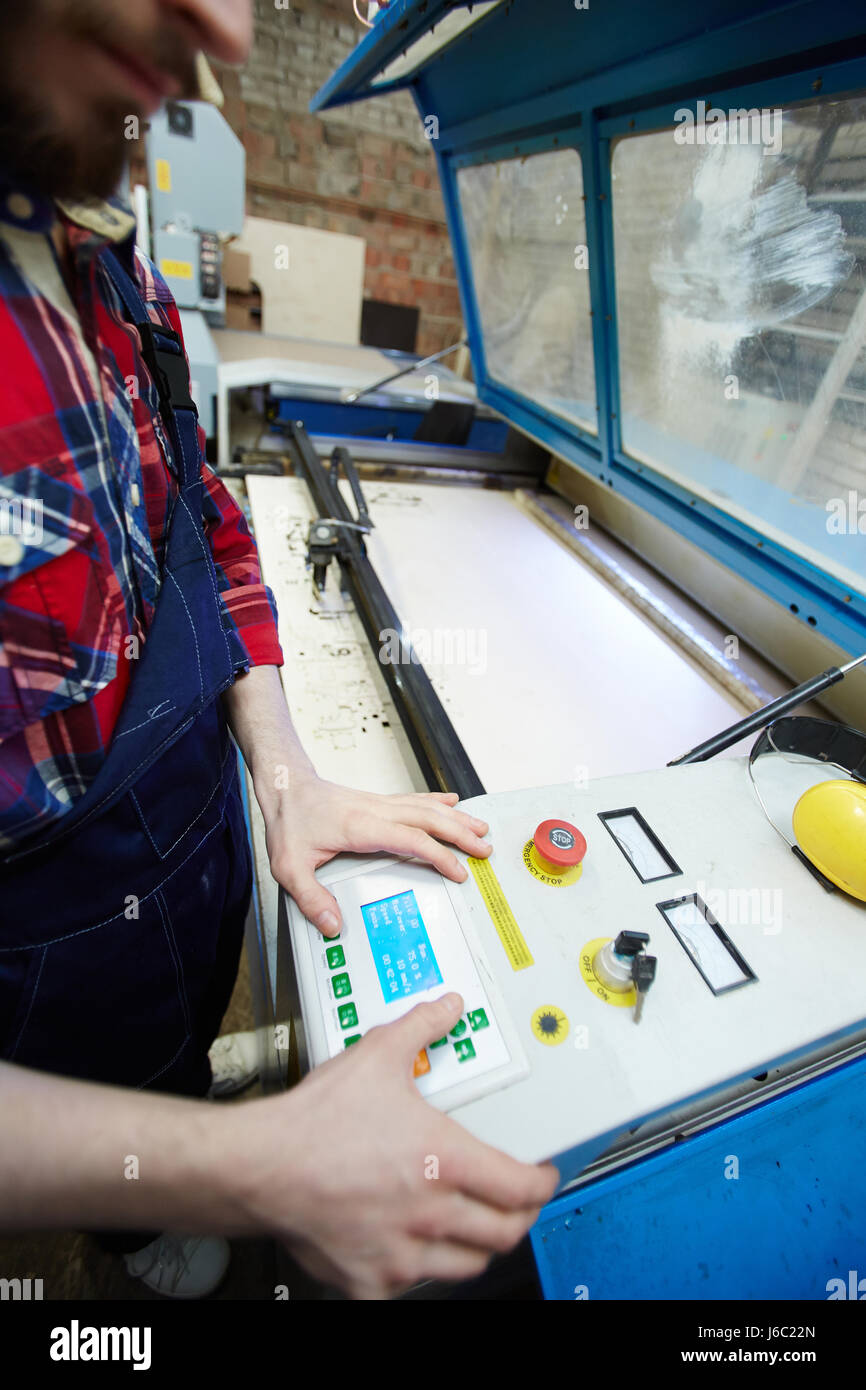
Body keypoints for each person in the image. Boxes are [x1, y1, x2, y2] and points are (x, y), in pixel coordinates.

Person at [0, 0, 557, 1300]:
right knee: (160, 1232)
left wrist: (287, 774)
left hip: (189, 868)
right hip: (44, 967)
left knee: (173, 1060)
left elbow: (196, 515)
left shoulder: (85, 238)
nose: (232, 32)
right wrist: (241, 1169)